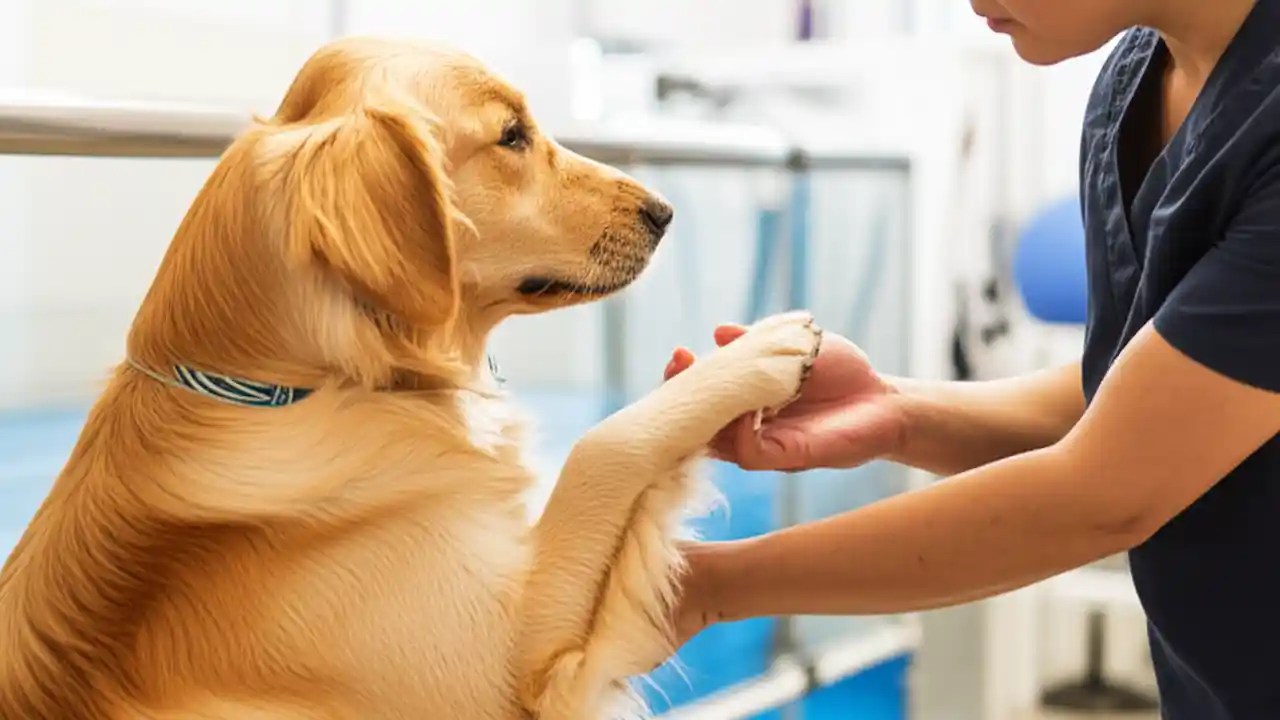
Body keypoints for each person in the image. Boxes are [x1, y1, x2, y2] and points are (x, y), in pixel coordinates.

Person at [664, 1, 1280, 718]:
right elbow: (1151, 405)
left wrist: (703, 588)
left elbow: (1107, 494)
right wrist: (898, 413)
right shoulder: (1138, 81)